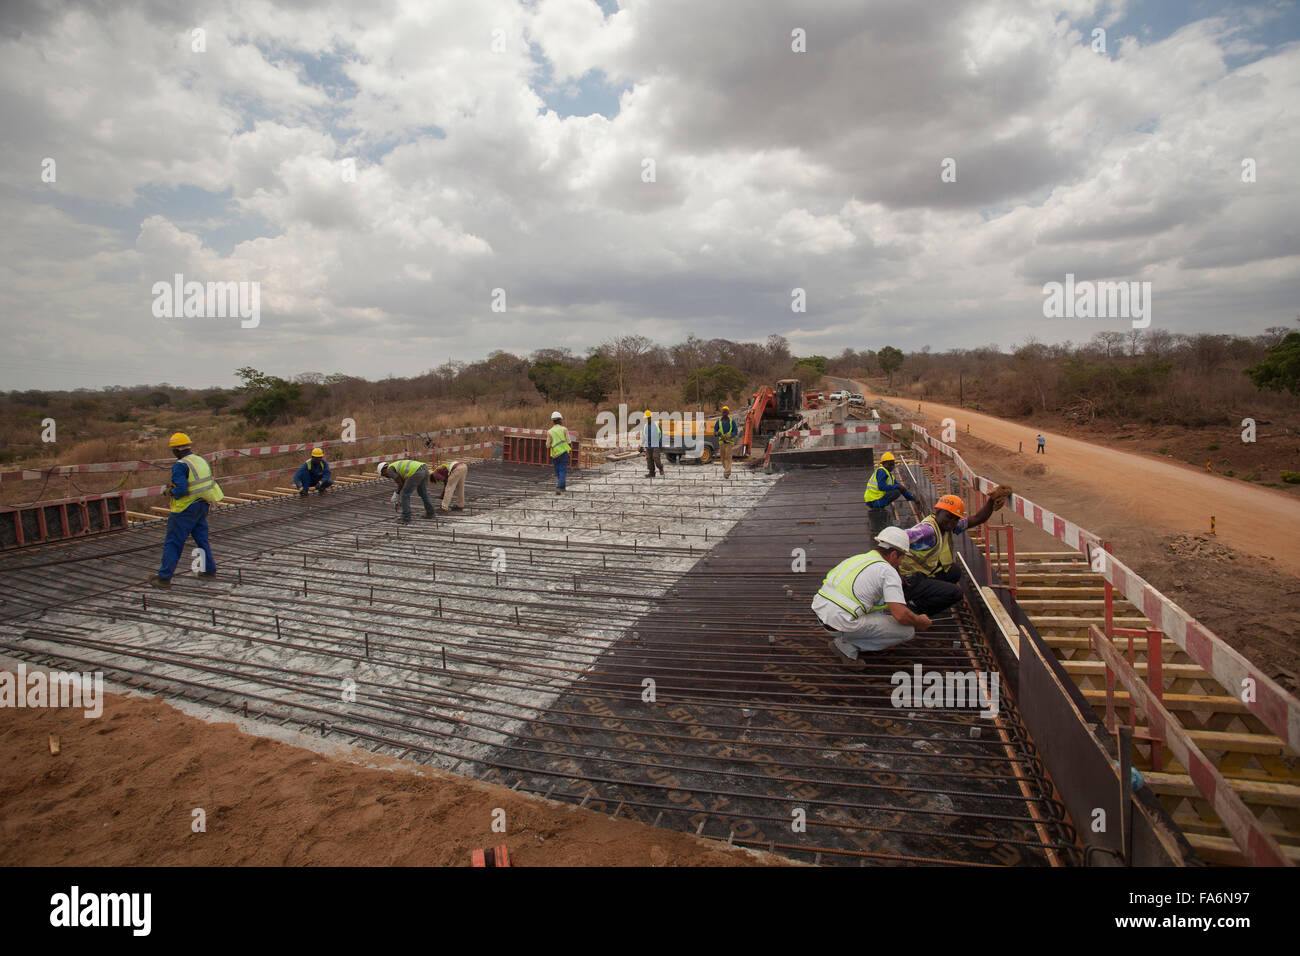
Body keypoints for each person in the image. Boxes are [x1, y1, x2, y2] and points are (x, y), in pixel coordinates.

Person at [812, 526, 933, 666]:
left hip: (822, 614)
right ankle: (847, 647)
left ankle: (853, 636)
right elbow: (900, 615)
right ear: (894, 555)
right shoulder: (888, 571)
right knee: (907, 630)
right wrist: (920, 621)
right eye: (902, 558)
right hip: (841, 622)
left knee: (879, 595)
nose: (901, 562)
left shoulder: (858, 558)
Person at [900, 487, 1012, 616]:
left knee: (953, 572)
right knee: (955, 593)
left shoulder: (947, 525)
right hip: (907, 580)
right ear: (938, 511)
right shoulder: (927, 531)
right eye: (949, 516)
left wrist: (991, 502)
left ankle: (921, 598)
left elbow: (977, 518)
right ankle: (913, 612)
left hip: (921, 574)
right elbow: (889, 540)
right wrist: (896, 573)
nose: (952, 521)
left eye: (956, 518)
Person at [149, 432, 224, 588]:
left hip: (185, 508)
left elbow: (182, 490)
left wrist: (170, 492)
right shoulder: (200, 460)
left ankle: (164, 578)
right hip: (202, 505)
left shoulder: (180, 465)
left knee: (174, 542)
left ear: (176, 450)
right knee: (201, 538)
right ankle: (209, 570)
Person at [863, 451, 914, 535]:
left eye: (893, 464)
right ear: (884, 463)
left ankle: (879, 507)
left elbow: (901, 489)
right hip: (874, 500)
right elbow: (882, 487)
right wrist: (897, 487)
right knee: (896, 492)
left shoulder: (889, 476)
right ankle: (879, 508)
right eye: (890, 464)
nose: (892, 466)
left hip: (874, 499)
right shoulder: (881, 471)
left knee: (898, 489)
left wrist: (912, 498)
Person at [547, 411, 572, 495]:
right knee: (563, 470)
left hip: (555, 455)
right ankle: (559, 487)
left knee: (558, 471)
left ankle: (563, 487)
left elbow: (547, 445)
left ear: (553, 420)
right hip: (564, 453)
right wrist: (569, 450)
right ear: (560, 420)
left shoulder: (550, 431)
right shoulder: (564, 429)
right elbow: (569, 441)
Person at [714, 405, 739, 478]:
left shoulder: (732, 421)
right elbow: (715, 430)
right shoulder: (718, 421)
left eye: (726, 412)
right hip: (721, 442)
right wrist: (716, 433)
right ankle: (727, 469)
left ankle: (727, 473)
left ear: (728, 413)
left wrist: (730, 435)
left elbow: (735, 431)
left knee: (728, 457)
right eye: (723, 412)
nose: (724, 413)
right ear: (722, 413)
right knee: (722, 458)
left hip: (729, 442)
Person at [640, 409, 665, 478]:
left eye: (648, 418)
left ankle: (661, 468)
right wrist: (641, 445)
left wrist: (661, 444)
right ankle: (651, 473)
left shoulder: (657, 425)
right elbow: (644, 436)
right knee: (649, 459)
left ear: (651, 418)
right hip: (648, 446)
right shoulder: (645, 426)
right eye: (646, 418)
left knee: (656, 457)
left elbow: (661, 435)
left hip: (656, 445)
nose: (647, 419)